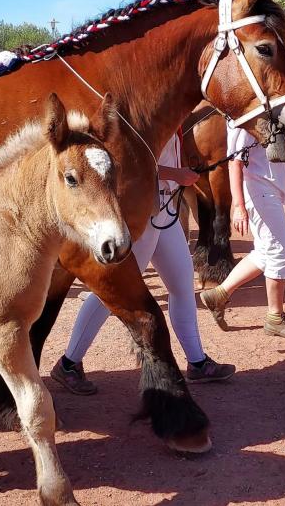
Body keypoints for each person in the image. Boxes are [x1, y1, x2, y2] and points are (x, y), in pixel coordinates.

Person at [50, 135, 236, 395]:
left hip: (166, 210)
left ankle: (197, 362)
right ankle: (68, 364)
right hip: (140, 214)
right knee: (112, 292)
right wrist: (176, 174)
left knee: (182, 285)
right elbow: (125, 163)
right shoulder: (140, 116)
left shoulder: (177, 115)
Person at [197, 122, 285, 339]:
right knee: (279, 252)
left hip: (269, 190)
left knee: (264, 252)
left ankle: (219, 294)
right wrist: (238, 207)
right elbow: (234, 163)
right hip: (260, 192)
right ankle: (275, 318)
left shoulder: (264, 116)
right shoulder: (243, 122)